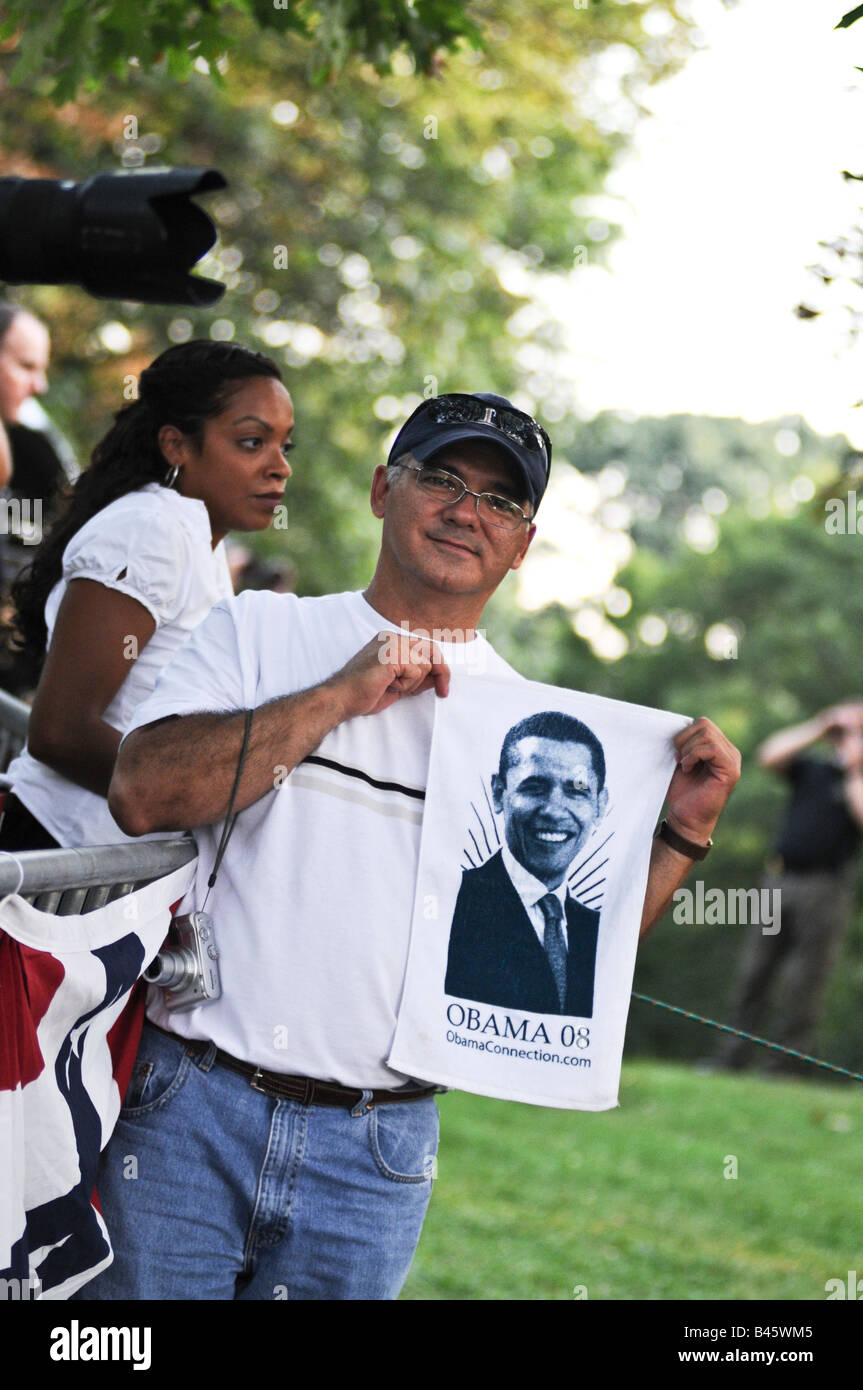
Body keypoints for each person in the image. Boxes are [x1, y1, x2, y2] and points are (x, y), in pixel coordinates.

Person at [80, 391, 740, 1302]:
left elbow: (568, 962)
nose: (467, 512)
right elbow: (141, 792)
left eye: (501, 500)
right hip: (189, 1106)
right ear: (382, 488)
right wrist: (334, 697)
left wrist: (683, 830)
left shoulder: (529, 736)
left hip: (377, 1151)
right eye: (442, 478)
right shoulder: (261, 630)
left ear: (523, 539)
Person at [0, 339, 294, 850]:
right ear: (176, 445)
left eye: (284, 446)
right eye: (252, 442)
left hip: (100, 884)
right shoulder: (152, 529)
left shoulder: (197, 541)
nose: (279, 467)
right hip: (53, 863)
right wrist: (188, 798)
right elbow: (61, 731)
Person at [715, 701, 863, 1074]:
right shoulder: (813, 769)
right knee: (753, 972)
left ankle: (783, 1068)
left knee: (804, 981)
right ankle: (731, 1060)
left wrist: (854, 770)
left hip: (825, 889)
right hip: (778, 879)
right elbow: (769, 755)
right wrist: (820, 724)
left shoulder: (856, 781)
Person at [445, 710, 608, 1017]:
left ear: (599, 805)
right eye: (534, 787)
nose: (553, 811)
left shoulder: (596, 932)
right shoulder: (450, 902)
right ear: (498, 793)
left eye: (576, 791)